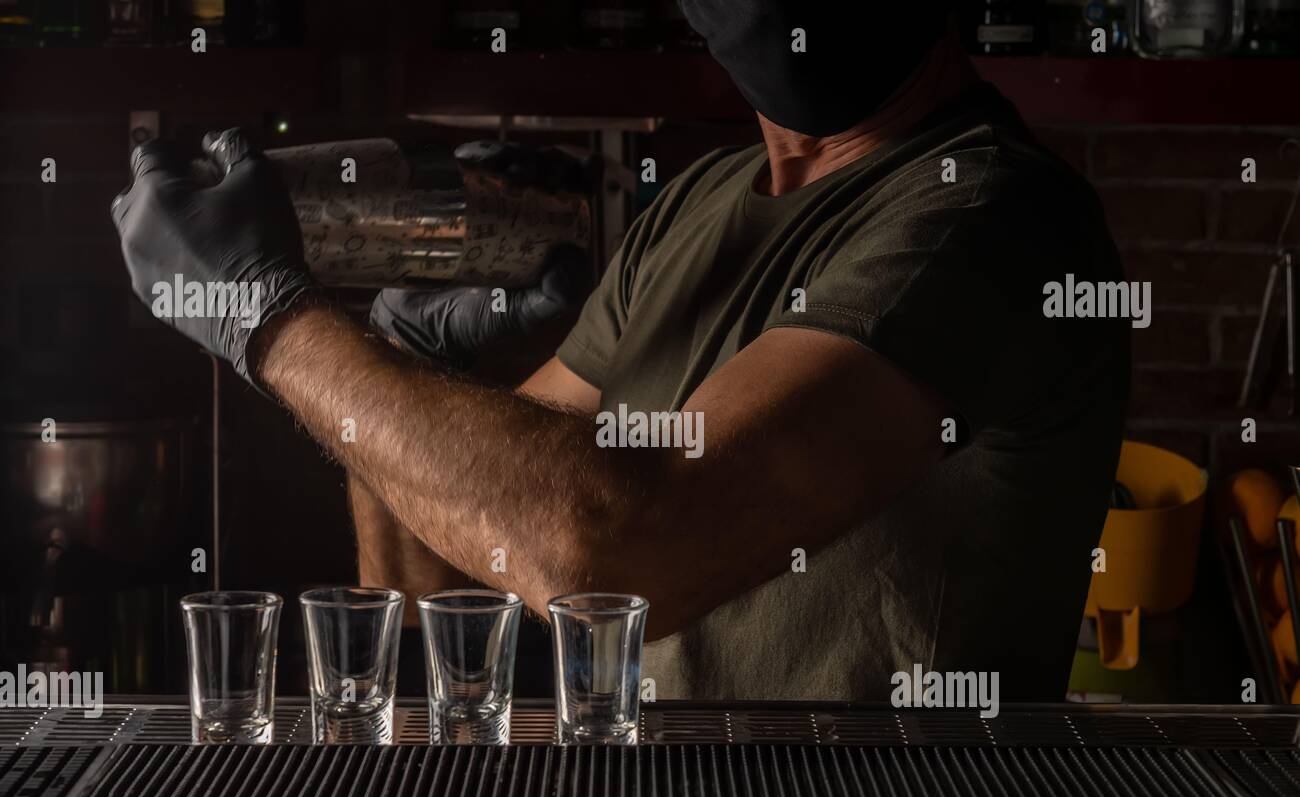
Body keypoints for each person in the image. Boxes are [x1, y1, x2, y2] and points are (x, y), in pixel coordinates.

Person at [111, 2, 1129, 703]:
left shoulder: (991, 214)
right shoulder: (698, 203)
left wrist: (273, 322)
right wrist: (397, 351)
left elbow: (603, 542)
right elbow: (462, 577)